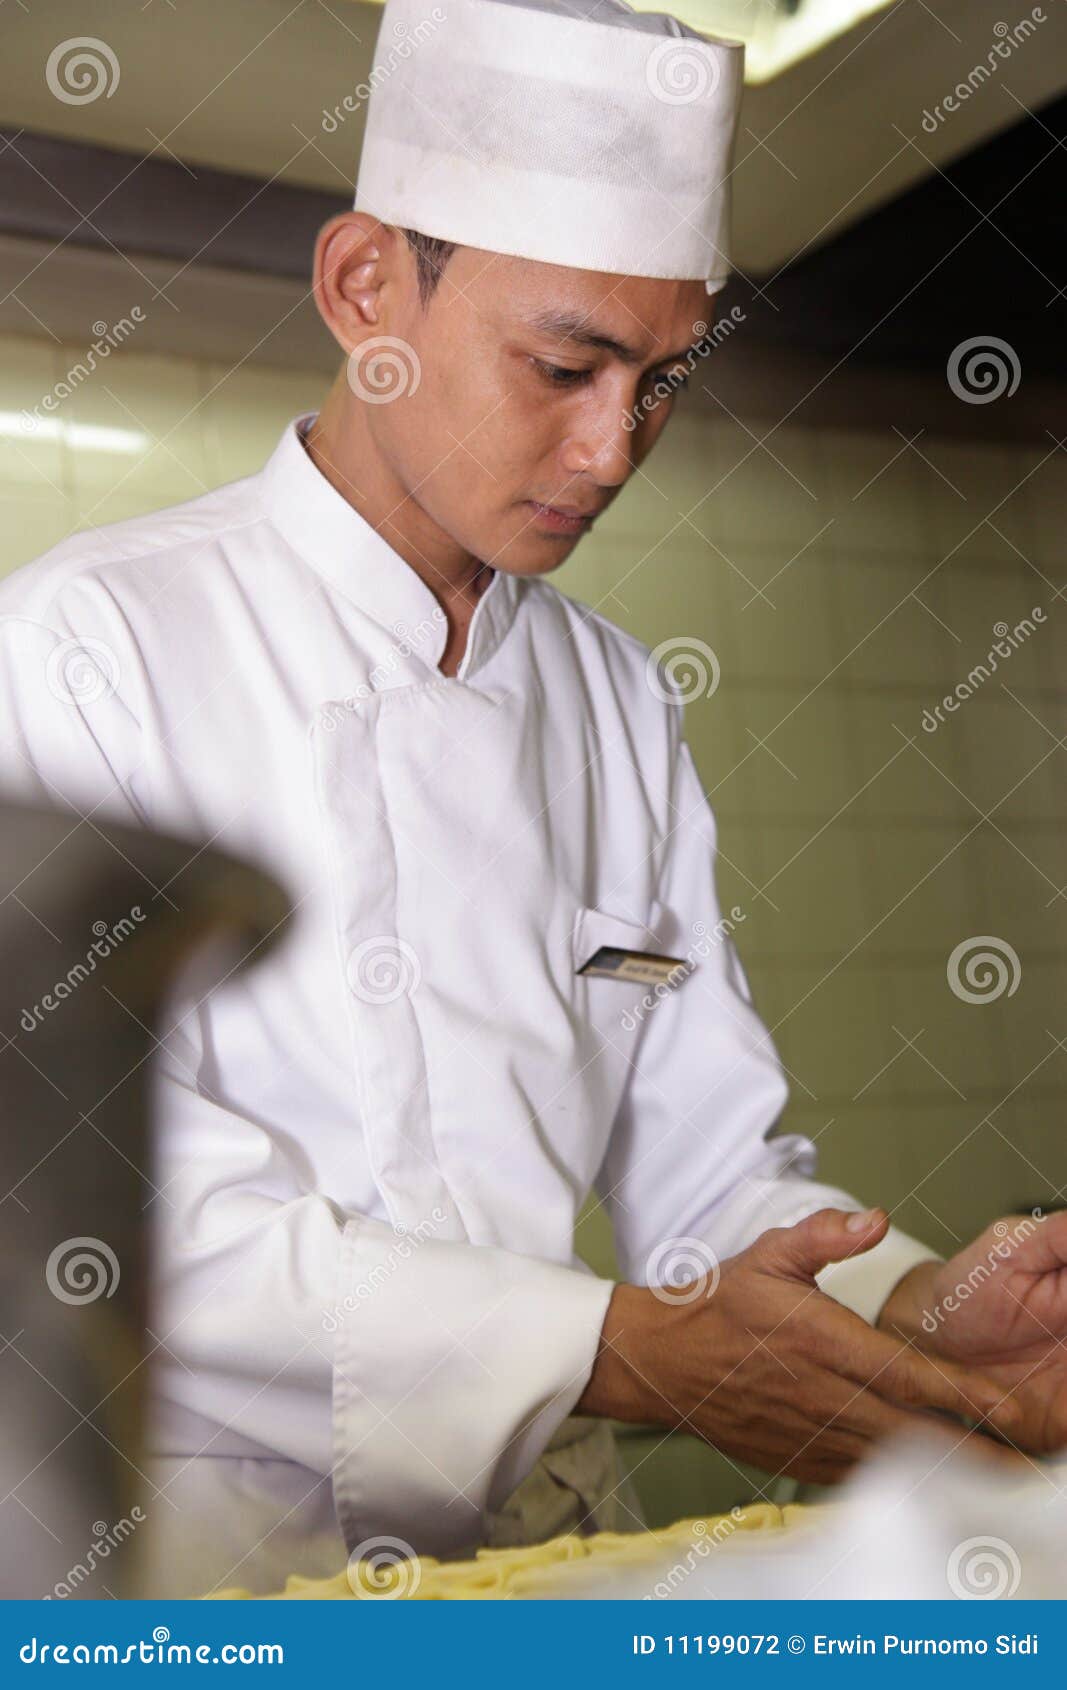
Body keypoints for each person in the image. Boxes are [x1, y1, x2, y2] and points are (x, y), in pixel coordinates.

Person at [1, 0, 1064, 1599]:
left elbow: (710, 1170)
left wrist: (913, 1316)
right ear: (368, 289)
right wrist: (618, 1347)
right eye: (565, 363)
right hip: (202, 1568)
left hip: (548, 1569)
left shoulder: (618, 694)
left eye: (664, 379)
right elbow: (94, 1204)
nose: (613, 445)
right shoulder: (91, 637)